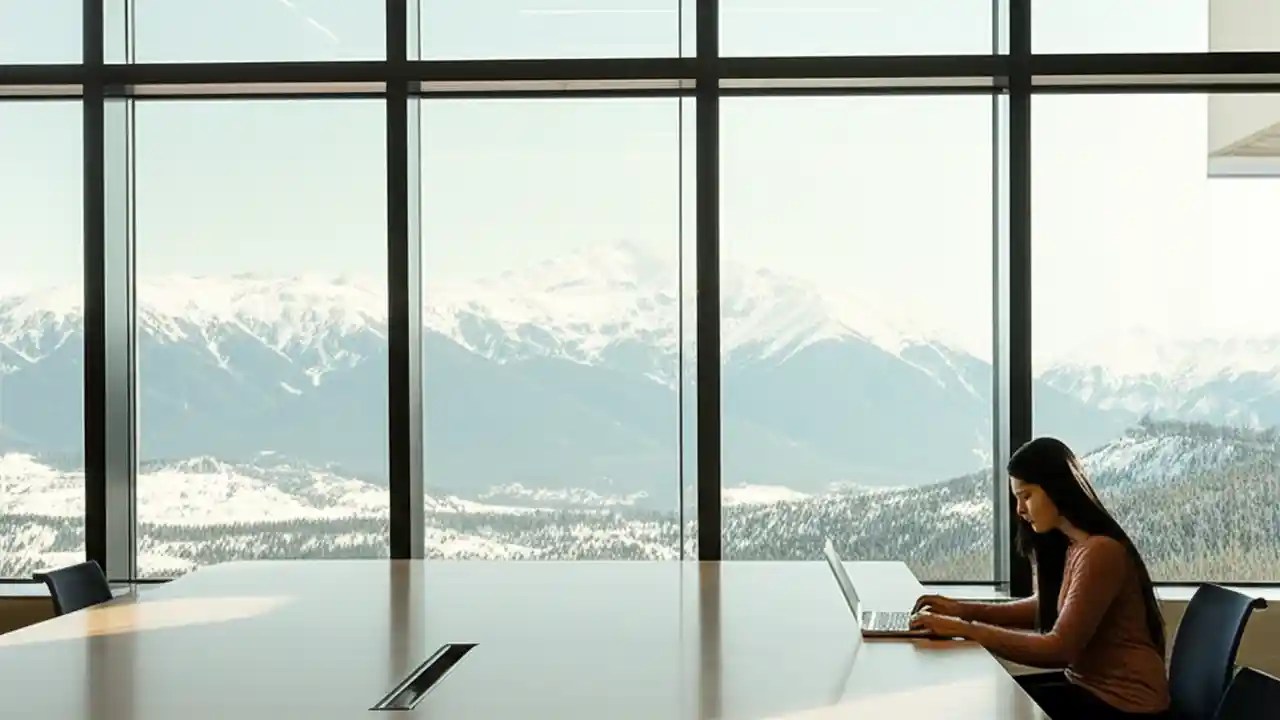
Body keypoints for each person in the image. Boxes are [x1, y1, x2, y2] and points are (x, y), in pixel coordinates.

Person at [908, 437, 1170, 720]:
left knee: (986, 706)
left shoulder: (1100, 552)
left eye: (1027, 496)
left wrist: (965, 628)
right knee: (985, 697)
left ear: (1057, 488)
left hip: (1126, 707)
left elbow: (1059, 648)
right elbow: (1045, 606)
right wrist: (960, 609)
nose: (1019, 510)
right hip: (1088, 689)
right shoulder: (1074, 546)